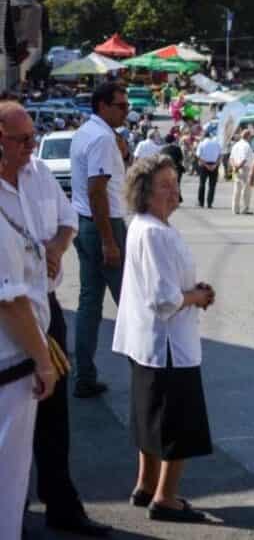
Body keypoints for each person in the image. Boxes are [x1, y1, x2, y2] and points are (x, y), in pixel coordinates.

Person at [0, 103, 110, 537]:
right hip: (13, 322)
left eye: (32, 138)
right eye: (22, 140)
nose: (31, 147)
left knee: (52, 417)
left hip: (44, 313)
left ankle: (60, 503)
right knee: (11, 424)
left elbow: (67, 221)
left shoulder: (40, 173)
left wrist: (58, 248)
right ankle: (14, 510)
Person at [111, 155, 215, 523]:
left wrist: (190, 291)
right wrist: (196, 297)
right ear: (144, 193)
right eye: (164, 186)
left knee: (149, 417)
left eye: (174, 183)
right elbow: (164, 298)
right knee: (175, 425)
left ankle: (145, 485)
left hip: (148, 342)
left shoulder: (144, 225)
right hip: (168, 344)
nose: (173, 192)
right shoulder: (153, 231)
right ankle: (166, 497)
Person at [0, 120, 59, 540]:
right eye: (21, 139)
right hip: (10, 361)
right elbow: (11, 300)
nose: (30, 146)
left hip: (14, 357)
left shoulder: (31, 179)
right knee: (8, 482)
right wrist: (44, 360)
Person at [69, 81, 129, 399]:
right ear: (103, 106)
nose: (126, 110)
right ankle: (149, 376)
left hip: (86, 223)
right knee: (131, 301)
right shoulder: (103, 138)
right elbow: (97, 191)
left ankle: (84, 375)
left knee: (90, 303)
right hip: (104, 224)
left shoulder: (87, 133)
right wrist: (109, 240)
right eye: (120, 105)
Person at [229, 130, 254, 215]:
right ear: (248, 136)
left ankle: (235, 208)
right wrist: (238, 167)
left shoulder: (236, 144)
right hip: (244, 168)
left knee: (237, 189)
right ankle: (245, 208)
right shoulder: (246, 145)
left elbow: (231, 158)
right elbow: (244, 159)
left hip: (236, 167)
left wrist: (234, 167)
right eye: (250, 136)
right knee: (246, 189)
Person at [195, 131, 221, 209]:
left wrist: (206, 165)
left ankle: (201, 202)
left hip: (204, 165)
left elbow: (198, 156)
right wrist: (215, 165)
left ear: (204, 136)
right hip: (214, 164)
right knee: (212, 185)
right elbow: (220, 155)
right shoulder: (216, 144)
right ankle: (209, 203)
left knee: (202, 184)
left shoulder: (202, 143)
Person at [158, 133, 185, 203]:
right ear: (173, 140)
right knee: (177, 183)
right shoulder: (177, 148)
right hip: (176, 168)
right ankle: (177, 197)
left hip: (166, 169)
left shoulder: (162, 149)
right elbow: (181, 158)